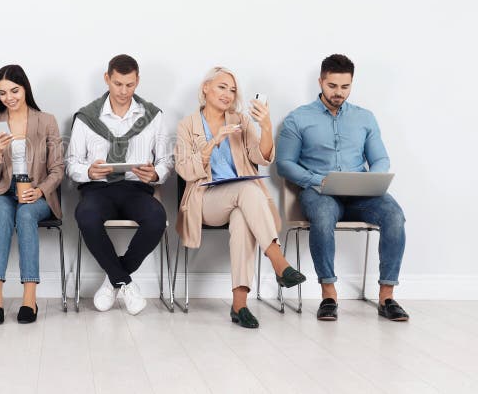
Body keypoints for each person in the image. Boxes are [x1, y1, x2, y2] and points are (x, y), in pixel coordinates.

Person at [277, 54, 408, 322]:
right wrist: (317, 181)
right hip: (320, 193)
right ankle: (329, 295)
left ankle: (387, 297)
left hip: (362, 196)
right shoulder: (298, 118)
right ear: (321, 81)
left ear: (351, 84)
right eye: (333, 86)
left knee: (394, 214)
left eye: (345, 87)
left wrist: (374, 178)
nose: (339, 93)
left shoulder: (365, 118)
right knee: (324, 216)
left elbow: (380, 158)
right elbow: (285, 164)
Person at [174, 67, 305, 328]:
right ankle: (278, 261)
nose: (228, 94)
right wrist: (214, 142)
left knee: (242, 218)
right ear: (205, 88)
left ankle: (239, 306)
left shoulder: (241, 121)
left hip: (241, 201)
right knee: (249, 189)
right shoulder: (187, 125)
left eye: (232, 90)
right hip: (205, 200)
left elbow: (261, 158)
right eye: (222, 87)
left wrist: (266, 126)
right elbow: (186, 170)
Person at [66, 54, 173, 315]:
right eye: (117, 84)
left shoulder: (153, 116)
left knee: (157, 217)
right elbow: (71, 164)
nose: (123, 91)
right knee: (85, 215)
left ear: (137, 81)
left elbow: (166, 161)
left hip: (137, 189)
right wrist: (89, 171)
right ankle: (124, 280)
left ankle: (114, 279)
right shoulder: (86, 117)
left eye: (129, 85)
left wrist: (155, 174)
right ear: (107, 79)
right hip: (98, 189)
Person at [0, 65, 64, 325]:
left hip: (37, 193)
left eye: (14, 90)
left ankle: (29, 299)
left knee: (26, 215)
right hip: (1, 192)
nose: (9, 97)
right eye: (2, 93)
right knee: (3, 212)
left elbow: (58, 169)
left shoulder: (46, 121)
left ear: (25, 88)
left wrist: (40, 191)